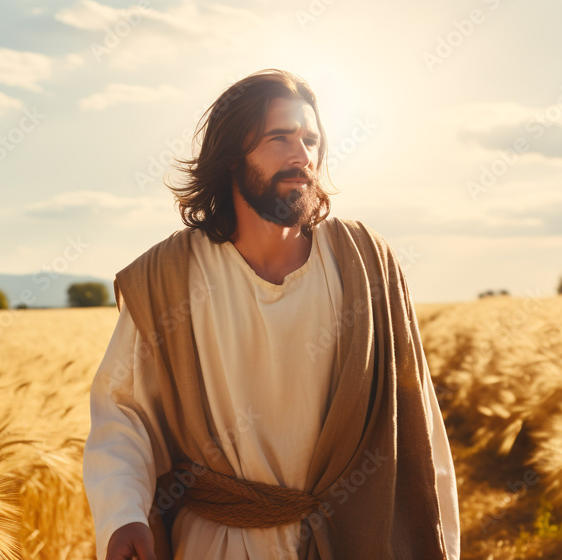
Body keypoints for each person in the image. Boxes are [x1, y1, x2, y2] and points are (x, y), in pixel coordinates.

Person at [83, 68, 460, 560]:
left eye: (310, 139)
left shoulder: (366, 262)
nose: (302, 154)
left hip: (351, 541)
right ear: (231, 155)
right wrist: (123, 514)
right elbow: (123, 411)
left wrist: (441, 543)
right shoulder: (169, 277)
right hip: (217, 545)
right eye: (279, 137)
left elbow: (416, 419)